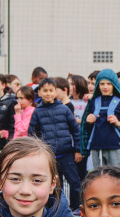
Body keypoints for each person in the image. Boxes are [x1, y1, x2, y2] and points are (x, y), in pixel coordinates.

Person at [26, 76, 81, 207]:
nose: (48, 93)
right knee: (54, 185)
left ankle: (77, 208)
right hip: (49, 156)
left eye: (51, 90)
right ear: (39, 93)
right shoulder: (37, 112)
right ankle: (55, 208)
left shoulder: (64, 109)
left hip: (67, 154)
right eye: (45, 90)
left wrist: (78, 149)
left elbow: (76, 130)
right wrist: (36, 153)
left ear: (55, 92)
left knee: (74, 182)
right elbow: (32, 134)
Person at [81, 69, 120, 173]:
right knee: (99, 178)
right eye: (102, 83)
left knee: (117, 176)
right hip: (96, 147)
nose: (105, 87)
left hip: (114, 146)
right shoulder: (94, 102)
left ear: (114, 85)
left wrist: (118, 123)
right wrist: (88, 121)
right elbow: (85, 127)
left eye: (109, 83)